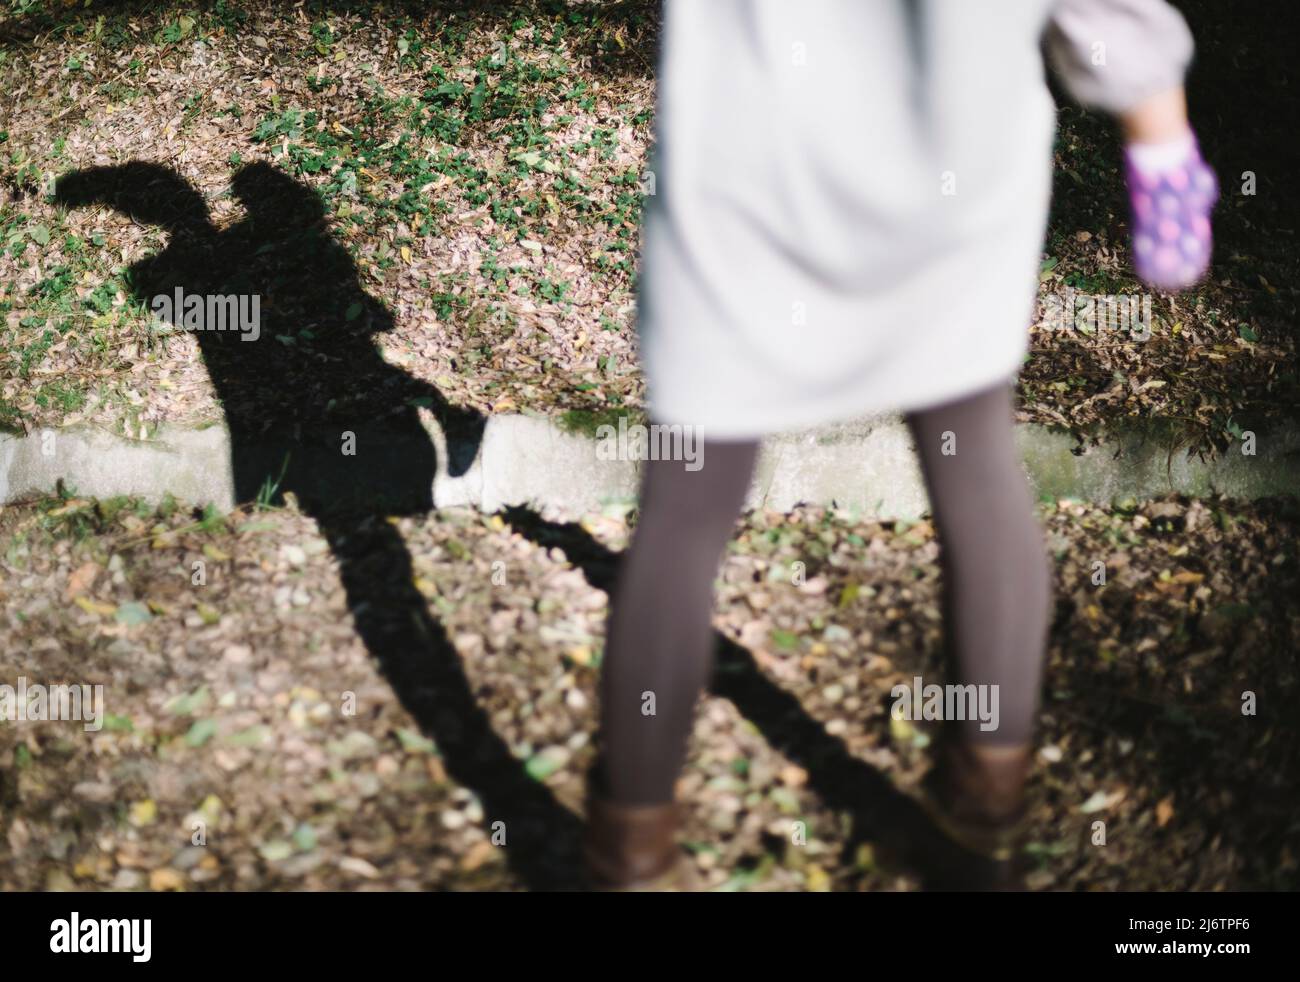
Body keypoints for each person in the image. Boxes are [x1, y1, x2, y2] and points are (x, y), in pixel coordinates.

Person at [582, 0, 1218, 890]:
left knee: (684, 518)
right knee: (978, 479)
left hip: (744, 193)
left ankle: (627, 857)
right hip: (949, 194)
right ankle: (980, 829)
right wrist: (1160, 145)